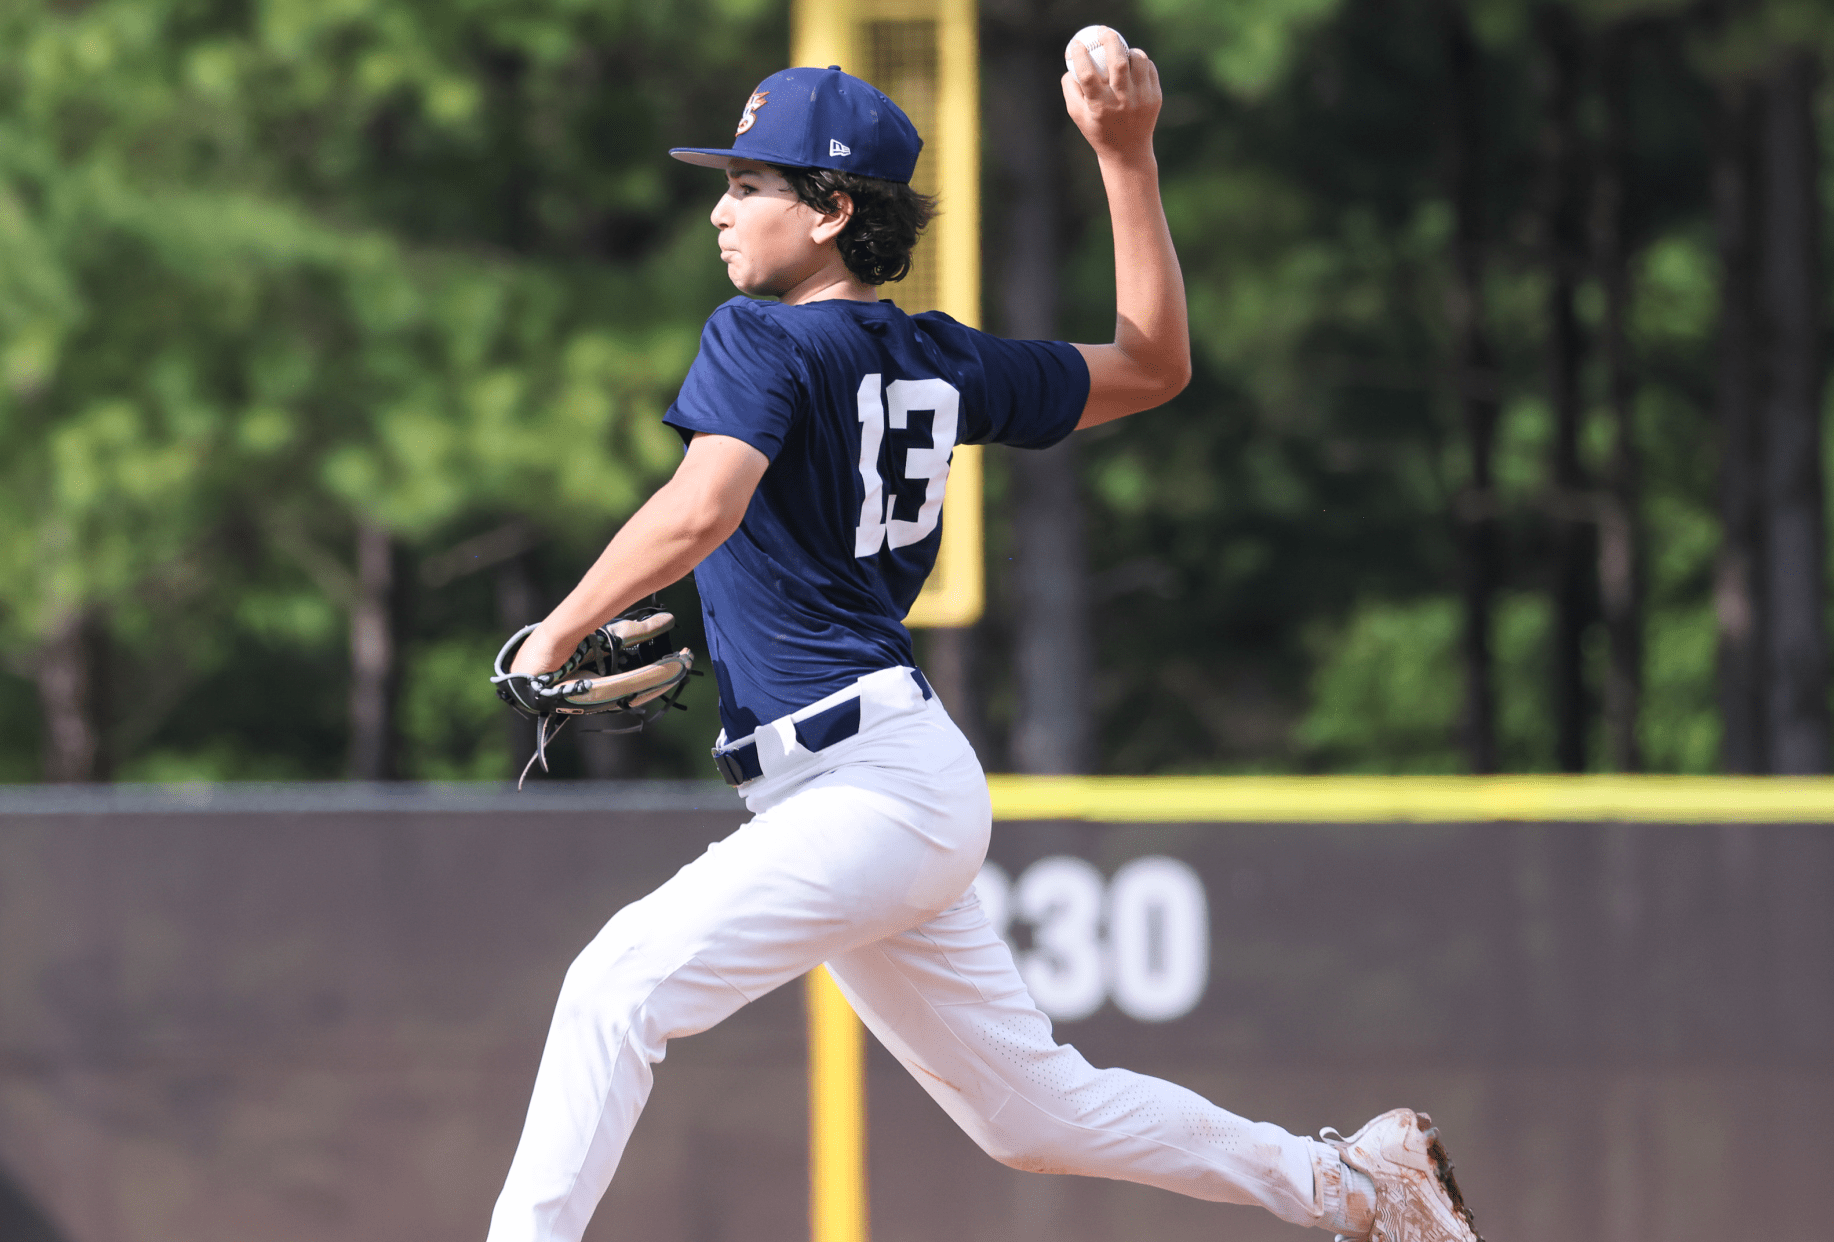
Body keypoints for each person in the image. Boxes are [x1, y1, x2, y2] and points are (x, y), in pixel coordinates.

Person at [486, 40, 1479, 1242]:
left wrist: (557, 629)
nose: (719, 207)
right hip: (890, 783)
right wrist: (1127, 158)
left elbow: (704, 506)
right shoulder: (936, 356)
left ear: (833, 207)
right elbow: (1156, 364)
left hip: (863, 786)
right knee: (1033, 1115)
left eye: (750, 184)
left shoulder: (760, 339)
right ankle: (1356, 1190)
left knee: (615, 985)